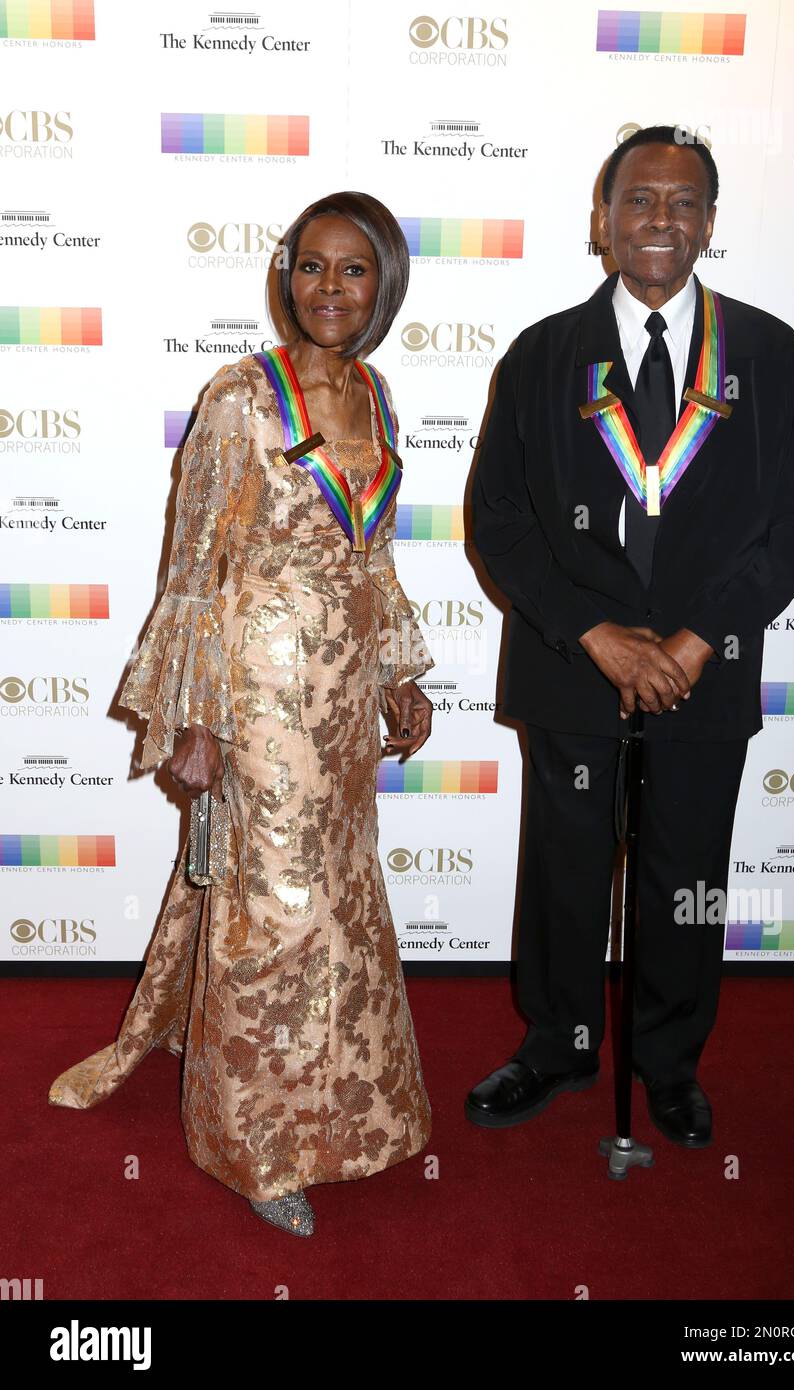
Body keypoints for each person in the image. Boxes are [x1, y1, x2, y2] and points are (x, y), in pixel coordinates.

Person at [49, 191, 436, 1236]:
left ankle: (353, 1104)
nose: (328, 289)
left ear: (383, 283)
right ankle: (256, 1140)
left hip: (346, 695)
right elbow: (192, 571)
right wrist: (193, 716)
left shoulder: (380, 395)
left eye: (353, 270)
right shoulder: (237, 397)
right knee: (273, 904)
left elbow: (372, 553)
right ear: (284, 273)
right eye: (309, 266)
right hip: (257, 688)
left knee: (342, 891)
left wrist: (400, 669)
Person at [467, 126, 794, 1147]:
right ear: (601, 219)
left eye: (681, 203)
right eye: (637, 200)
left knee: (686, 878)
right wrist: (593, 631)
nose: (658, 221)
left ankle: (668, 1062)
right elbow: (497, 518)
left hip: (699, 677)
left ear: (709, 223)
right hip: (569, 666)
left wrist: (692, 641)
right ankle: (556, 1044)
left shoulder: (763, 353)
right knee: (564, 865)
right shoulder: (542, 354)